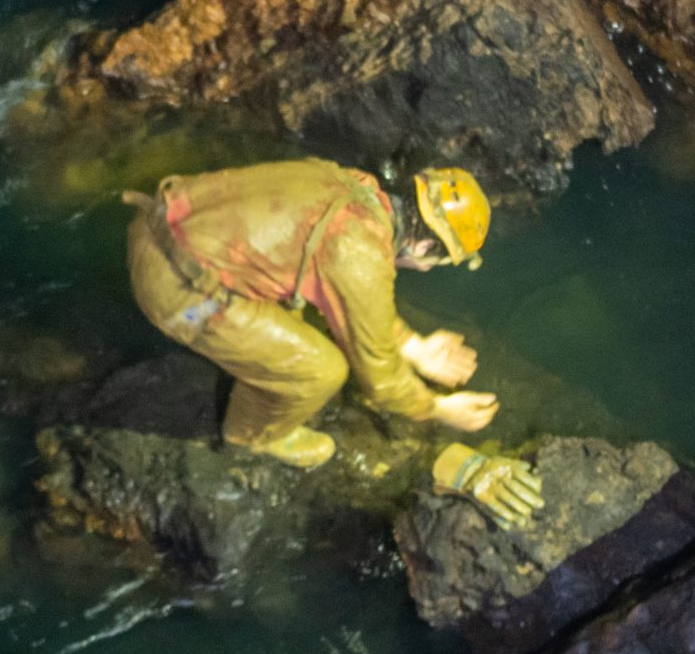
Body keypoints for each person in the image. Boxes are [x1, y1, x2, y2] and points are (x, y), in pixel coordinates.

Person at [123, 158, 505, 470]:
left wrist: (415, 347)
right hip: (174, 289)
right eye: (437, 260)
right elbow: (382, 382)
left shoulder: (351, 183)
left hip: (157, 221)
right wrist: (437, 408)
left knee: (297, 310)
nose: (428, 267)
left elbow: (355, 295)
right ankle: (254, 436)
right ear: (423, 245)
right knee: (320, 371)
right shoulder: (361, 252)